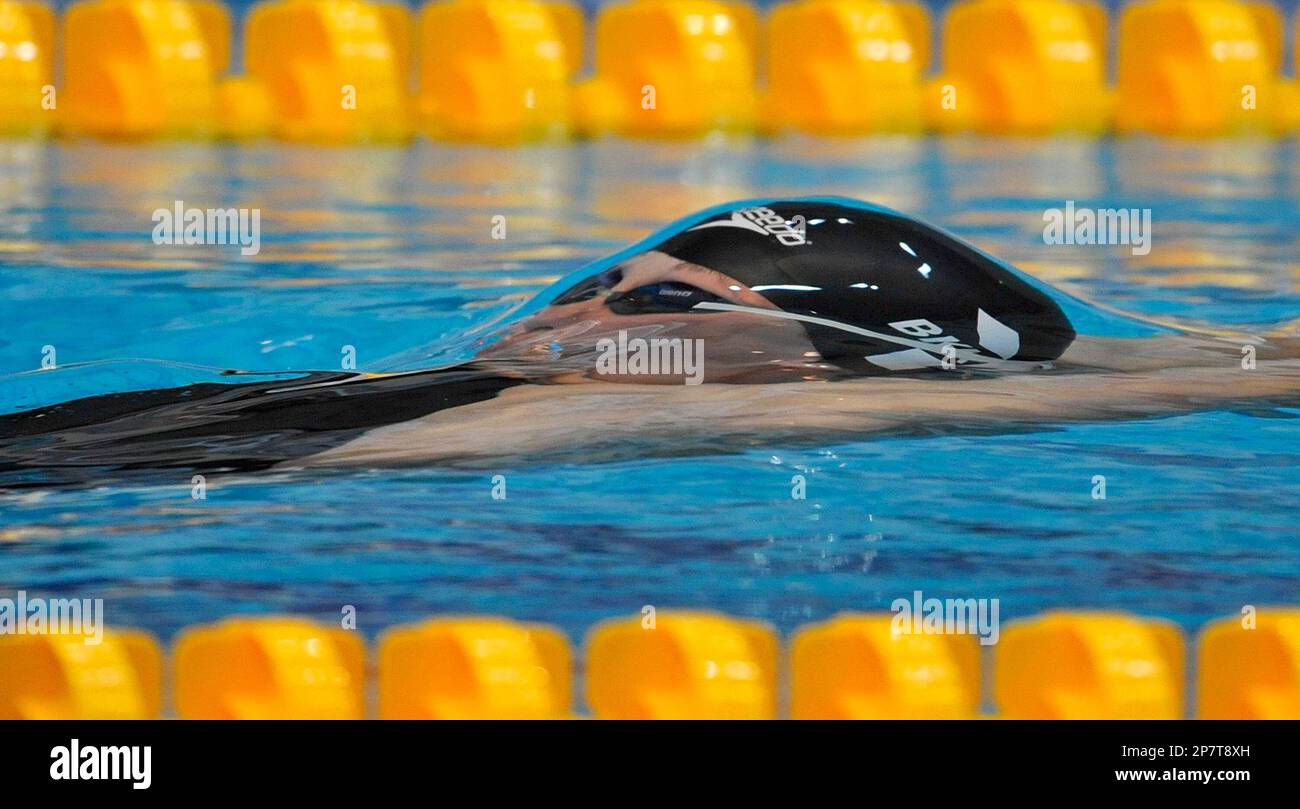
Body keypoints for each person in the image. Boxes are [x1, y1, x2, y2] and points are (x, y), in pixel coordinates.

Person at [2, 198, 1296, 483]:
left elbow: (1026, 392)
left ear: (795, 362)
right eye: (607, 278)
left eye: (664, 305)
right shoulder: (499, 367)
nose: (580, 312)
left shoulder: (727, 406)